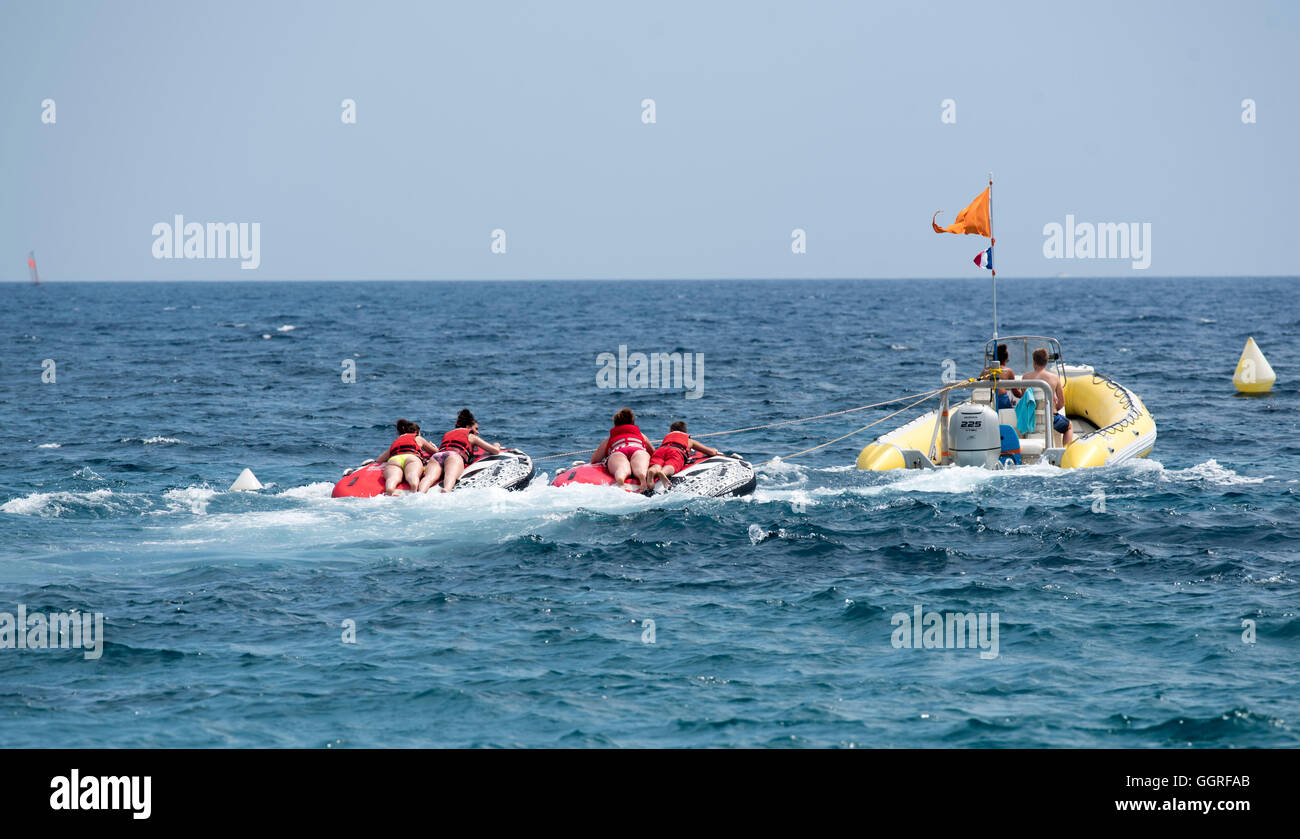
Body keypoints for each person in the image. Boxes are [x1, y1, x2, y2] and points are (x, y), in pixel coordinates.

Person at [420, 408, 504, 493]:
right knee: (451, 476)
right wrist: (496, 445)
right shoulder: (471, 436)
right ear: (468, 427)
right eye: (476, 429)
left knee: (429, 478)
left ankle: (420, 493)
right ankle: (446, 490)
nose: (477, 432)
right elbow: (495, 451)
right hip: (454, 456)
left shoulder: (448, 433)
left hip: (437, 456)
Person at [590, 408, 655, 491]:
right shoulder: (641, 435)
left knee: (621, 469)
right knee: (641, 466)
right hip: (637, 449)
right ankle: (642, 476)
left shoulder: (610, 438)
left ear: (616, 424)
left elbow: (595, 459)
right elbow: (653, 452)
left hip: (618, 452)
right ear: (632, 423)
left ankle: (620, 479)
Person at [1022, 347, 1074, 445]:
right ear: (1046, 362)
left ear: (1034, 361)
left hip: (1031, 418)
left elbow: (1024, 400)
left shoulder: (1025, 378)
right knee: (1069, 426)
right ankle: (1066, 450)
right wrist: (1053, 409)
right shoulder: (1054, 378)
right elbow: (1062, 403)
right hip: (1051, 419)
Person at [646, 421, 718, 490]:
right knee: (672, 464)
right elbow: (710, 452)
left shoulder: (667, 437)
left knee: (656, 464)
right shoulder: (689, 440)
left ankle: (653, 470)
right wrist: (714, 450)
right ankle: (663, 472)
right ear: (685, 431)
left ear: (671, 430)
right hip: (676, 451)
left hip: (661, 449)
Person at [375, 419, 436, 495]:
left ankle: (389, 489)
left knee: (392, 478)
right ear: (416, 432)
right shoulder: (418, 438)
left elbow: (380, 459)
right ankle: (414, 489)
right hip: (412, 458)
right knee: (412, 475)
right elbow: (435, 452)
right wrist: (433, 446)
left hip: (395, 459)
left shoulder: (397, 441)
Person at [981, 343, 1023, 410]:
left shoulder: (985, 371)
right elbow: (1016, 393)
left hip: (986, 401)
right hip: (1001, 399)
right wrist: (1024, 393)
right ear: (1006, 358)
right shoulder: (1008, 371)